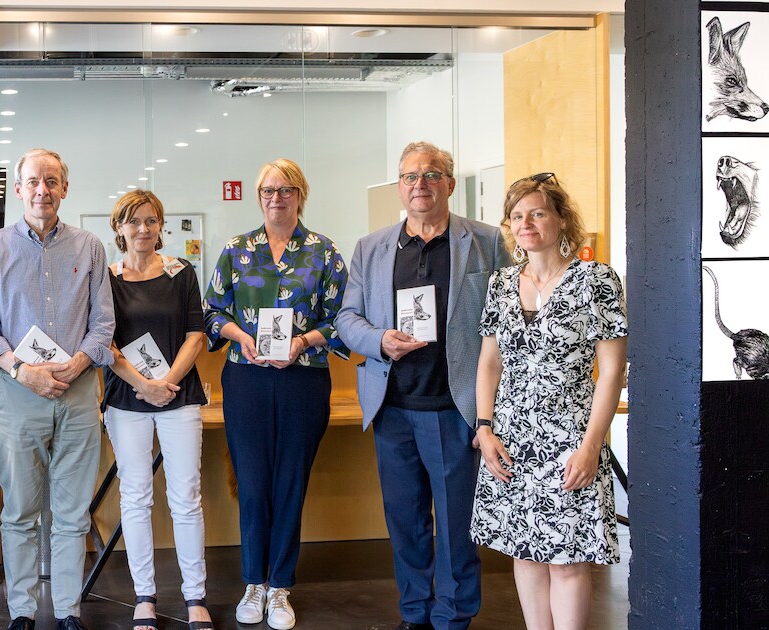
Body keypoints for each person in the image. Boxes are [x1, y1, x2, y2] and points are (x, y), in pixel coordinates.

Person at [335, 142, 509, 630]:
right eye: (411, 176)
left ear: (450, 184)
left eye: (432, 175)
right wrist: (378, 340)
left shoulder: (487, 242)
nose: (420, 184)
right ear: (399, 187)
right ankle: (414, 612)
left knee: (456, 526)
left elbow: (507, 323)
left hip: (454, 406)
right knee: (406, 523)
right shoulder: (371, 248)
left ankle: (453, 616)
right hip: (391, 406)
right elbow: (347, 317)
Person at [471, 173, 627, 630]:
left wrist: (592, 445)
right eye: (517, 216)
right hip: (511, 439)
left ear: (561, 219)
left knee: (568, 559)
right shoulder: (501, 283)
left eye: (538, 213)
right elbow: (489, 363)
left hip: (571, 438)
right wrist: (484, 428)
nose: (527, 223)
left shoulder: (596, 280)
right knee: (526, 551)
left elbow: (612, 371)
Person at [0, 148, 114, 630]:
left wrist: (80, 361)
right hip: (17, 395)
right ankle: (23, 611)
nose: (42, 190)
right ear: (18, 189)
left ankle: (69, 608)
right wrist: (20, 369)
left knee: (73, 511)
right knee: (21, 511)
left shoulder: (90, 247)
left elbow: (103, 323)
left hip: (77, 394)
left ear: (64, 189)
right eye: (33, 182)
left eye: (51, 181)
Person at [203, 158, 348, 630]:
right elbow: (211, 312)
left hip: (303, 380)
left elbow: (343, 319)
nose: (276, 198)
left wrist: (304, 341)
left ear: (300, 195)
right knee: (252, 482)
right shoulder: (236, 250)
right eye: (268, 190)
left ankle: (281, 586)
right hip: (246, 378)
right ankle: (253, 584)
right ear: (258, 196)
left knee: (290, 483)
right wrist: (240, 336)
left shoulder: (323, 253)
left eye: (286, 190)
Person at [103, 190, 212, 630]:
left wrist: (165, 383)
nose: (143, 229)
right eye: (134, 222)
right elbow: (102, 342)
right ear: (119, 228)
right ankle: (144, 596)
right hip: (126, 398)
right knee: (136, 496)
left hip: (178, 397)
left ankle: (194, 596)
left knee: (185, 498)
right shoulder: (105, 277)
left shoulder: (181, 272)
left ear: (161, 226)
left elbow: (196, 333)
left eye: (151, 221)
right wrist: (143, 384)